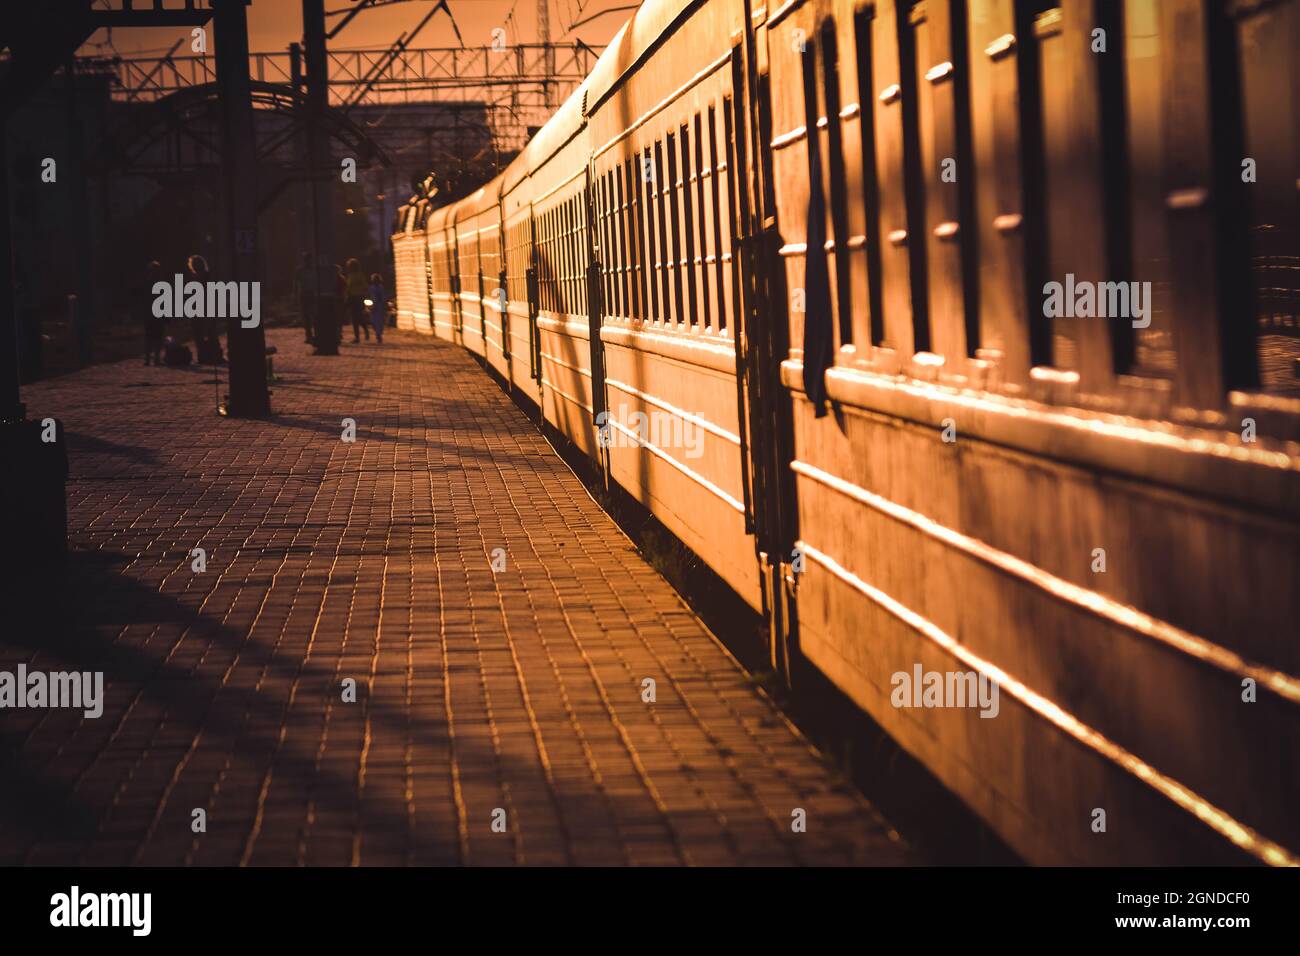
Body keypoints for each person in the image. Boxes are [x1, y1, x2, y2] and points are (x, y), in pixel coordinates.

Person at [187, 254, 224, 365]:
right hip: (204, 309)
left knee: (203, 334)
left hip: (202, 309)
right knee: (209, 333)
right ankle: (213, 356)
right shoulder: (205, 277)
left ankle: (208, 356)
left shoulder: (197, 278)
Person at [143, 260, 164, 365]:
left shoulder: (147, 283)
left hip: (150, 313)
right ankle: (155, 358)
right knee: (156, 337)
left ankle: (149, 359)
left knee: (150, 337)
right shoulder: (159, 284)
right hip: (155, 313)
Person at [345, 258, 369, 342]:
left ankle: (365, 331)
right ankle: (357, 337)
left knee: (359, 317)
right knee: (354, 318)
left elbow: (365, 286)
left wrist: (363, 294)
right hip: (352, 298)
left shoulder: (359, 275)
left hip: (358, 298)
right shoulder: (350, 276)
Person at [296, 251, 315, 344]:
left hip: (313, 294)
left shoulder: (315, 270)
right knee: (306, 316)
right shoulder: (300, 270)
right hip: (304, 294)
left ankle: (315, 334)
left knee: (314, 315)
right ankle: (309, 335)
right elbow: (296, 283)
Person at [366, 273, 386, 344]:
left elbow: (383, 297)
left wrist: (383, 303)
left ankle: (378, 334)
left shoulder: (381, 288)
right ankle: (377, 331)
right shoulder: (371, 288)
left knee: (379, 320)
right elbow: (369, 295)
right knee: (373, 320)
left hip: (379, 305)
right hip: (373, 305)